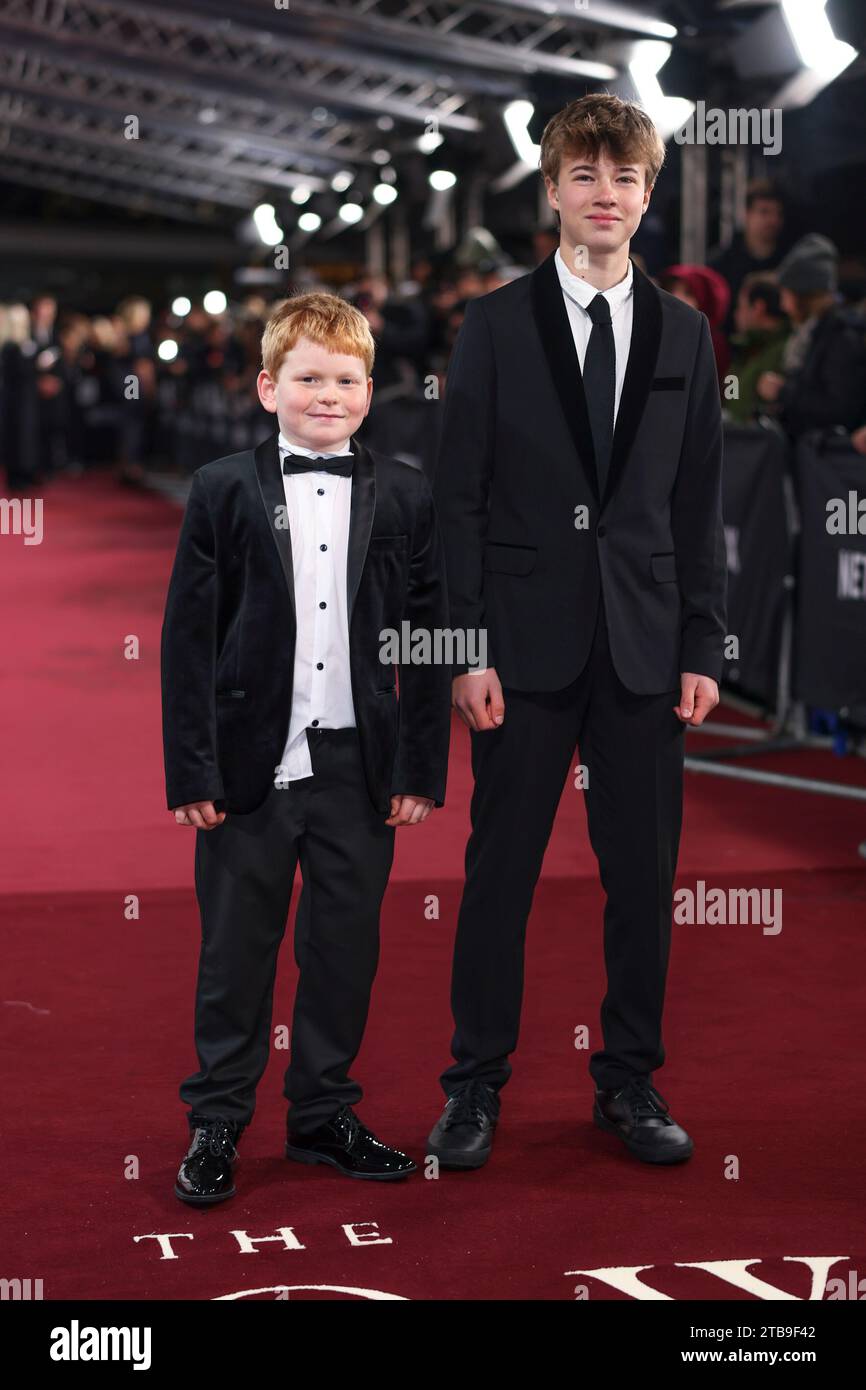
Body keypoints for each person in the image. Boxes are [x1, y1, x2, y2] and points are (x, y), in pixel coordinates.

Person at [430, 93, 727, 1169]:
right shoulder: (494, 324)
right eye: (586, 176)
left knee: (642, 878)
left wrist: (703, 642)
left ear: (646, 199)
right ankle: (472, 1086)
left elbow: (698, 500)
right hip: (520, 644)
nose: (606, 196)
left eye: (625, 179)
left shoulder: (686, 333)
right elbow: (456, 496)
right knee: (498, 870)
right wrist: (461, 645)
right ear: (551, 190)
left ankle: (630, 1083)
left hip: (647, 647)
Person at [161, 291, 452, 1203]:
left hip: (358, 769)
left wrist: (419, 765)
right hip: (251, 766)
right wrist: (192, 768)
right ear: (266, 386)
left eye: (346, 379)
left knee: (344, 950)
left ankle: (324, 1112)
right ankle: (217, 1120)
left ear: (370, 391)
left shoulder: (406, 491)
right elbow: (186, 639)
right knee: (235, 954)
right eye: (308, 378)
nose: (328, 394)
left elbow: (428, 634)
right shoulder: (221, 487)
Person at [755, 233, 866, 439]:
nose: (782, 305)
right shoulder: (810, 334)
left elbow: (841, 409)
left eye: (787, 294)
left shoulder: (841, 338)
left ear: (804, 296)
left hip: (829, 459)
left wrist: (783, 392)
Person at [708, 180, 786, 337]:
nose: (773, 220)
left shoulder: (788, 263)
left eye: (778, 214)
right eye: (764, 212)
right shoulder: (720, 264)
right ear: (747, 214)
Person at [726, 274, 789, 425]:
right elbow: (731, 395)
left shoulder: (785, 350)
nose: (736, 315)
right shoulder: (743, 349)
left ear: (758, 308)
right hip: (737, 437)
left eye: (741, 307)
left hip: (758, 442)